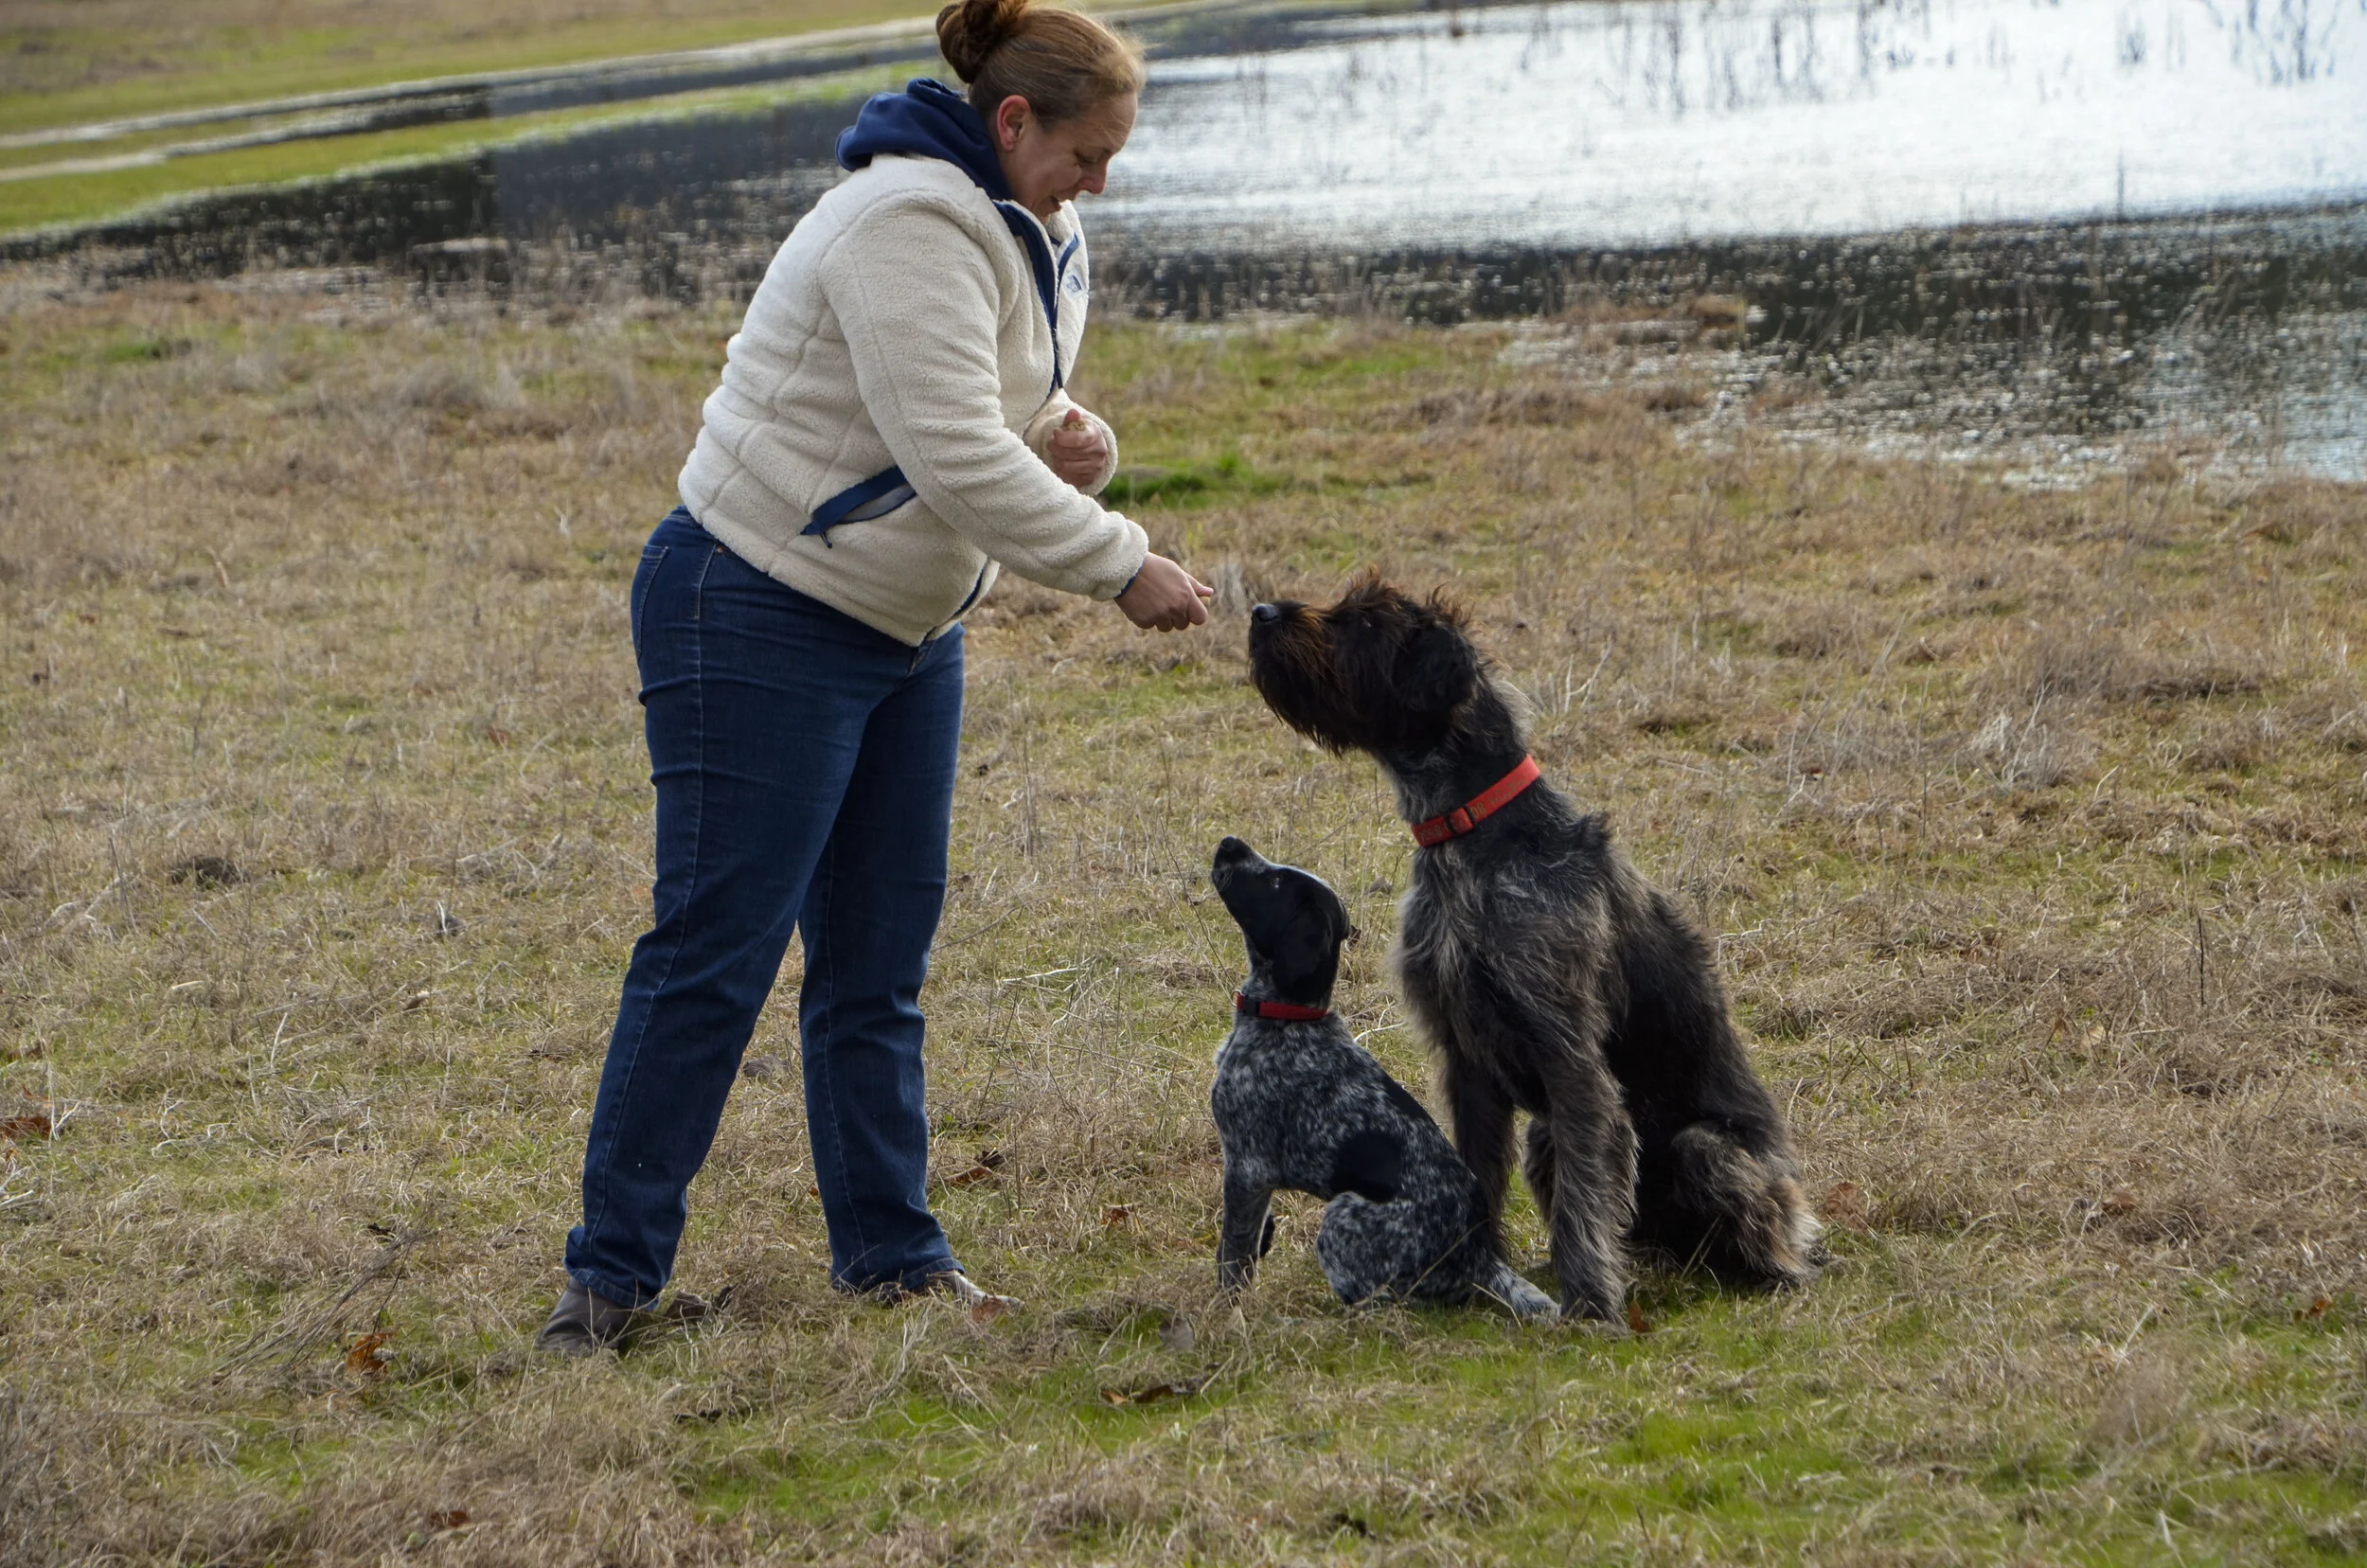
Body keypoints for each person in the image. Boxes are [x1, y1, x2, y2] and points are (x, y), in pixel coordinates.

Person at [537, 0, 1210, 1355]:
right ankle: (606, 1288)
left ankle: (892, 1259)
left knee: (876, 965)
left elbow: (979, 415)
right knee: (714, 955)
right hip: (757, 608)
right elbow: (956, 455)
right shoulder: (904, 221)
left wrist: (1070, 438)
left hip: (906, 628)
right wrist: (1119, 561)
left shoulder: (1037, 224)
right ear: (1011, 122)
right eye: (1089, 153)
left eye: (1114, 158)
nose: (1101, 182)